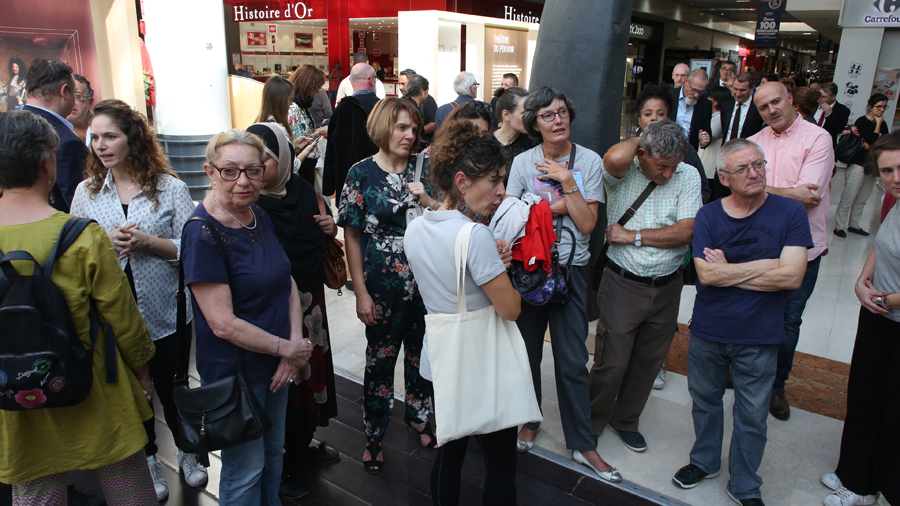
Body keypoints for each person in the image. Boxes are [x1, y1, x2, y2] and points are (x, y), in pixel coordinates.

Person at [0, 110, 159, 505]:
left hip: (15, 394)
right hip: (95, 383)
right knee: (129, 490)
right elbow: (122, 317)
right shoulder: (80, 236)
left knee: (37, 494)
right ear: (46, 162)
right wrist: (143, 370)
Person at [69, 99, 204, 501]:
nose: (101, 145)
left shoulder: (170, 188)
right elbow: (74, 250)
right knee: (130, 393)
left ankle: (188, 452)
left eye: (110, 136)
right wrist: (102, 244)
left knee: (173, 385)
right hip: (112, 316)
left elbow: (191, 248)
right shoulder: (87, 192)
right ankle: (147, 457)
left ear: (133, 139)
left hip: (165, 312)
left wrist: (150, 242)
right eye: (95, 137)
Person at [673, 139, 811, 506]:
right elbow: (707, 277)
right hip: (709, 328)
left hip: (760, 333)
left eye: (759, 165)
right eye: (743, 169)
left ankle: (745, 483)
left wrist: (728, 268)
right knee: (705, 401)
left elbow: (793, 277)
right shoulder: (708, 215)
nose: (755, 173)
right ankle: (704, 461)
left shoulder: (790, 213)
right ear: (724, 177)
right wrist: (769, 264)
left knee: (752, 416)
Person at [180, 129, 313, 504]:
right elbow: (221, 323)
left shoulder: (257, 213)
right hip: (236, 372)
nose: (243, 181)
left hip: (276, 364)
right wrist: (286, 348)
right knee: (245, 468)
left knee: (274, 455)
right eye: (230, 171)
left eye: (253, 171)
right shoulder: (202, 232)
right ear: (210, 171)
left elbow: (285, 279)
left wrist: (289, 347)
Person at [505, 87, 619, 483]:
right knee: (528, 356)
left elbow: (588, 224)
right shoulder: (523, 162)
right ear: (534, 123)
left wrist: (567, 181)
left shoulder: (587, 161)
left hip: (571, 270)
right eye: (548, 115)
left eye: (563, 113)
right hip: (532, 272)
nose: (558, 120)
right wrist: (557, 206)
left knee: (573, 362)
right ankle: (530, 419)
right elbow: (512, 217)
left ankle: (582, 441)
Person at [406, 120, 520, 506]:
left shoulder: (416, 229)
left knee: (450, 451)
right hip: (480, 361)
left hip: (440, 356)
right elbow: (510, 308)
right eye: (494, 180)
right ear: (462, 181)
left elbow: (448, 279)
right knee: (501, 462)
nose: (501, 191)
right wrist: (500, 266)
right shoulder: (475, 235)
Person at [336, 98, 439, 474]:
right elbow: (350, 236)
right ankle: (373, 435)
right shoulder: (361, 173)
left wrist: (427, 198)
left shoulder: (425, 167)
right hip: (382, 283)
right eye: (401, 128)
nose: (410, 135)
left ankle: (418, 415)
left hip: (426, 281)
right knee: (380, 359)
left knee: (420, 353)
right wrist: (360, 291)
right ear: (383, 128)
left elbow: (446, 213)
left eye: (414, 128)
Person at [590, 120, 700, 456]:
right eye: (662, 166)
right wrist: (648, 133)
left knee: (648, 361)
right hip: (624, 282)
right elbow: (611, 158)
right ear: (641, 155)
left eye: (675, 165)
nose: (669, 174)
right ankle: (592, 420)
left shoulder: (688, 175)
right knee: (612, 360)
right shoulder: (625, 172)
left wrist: (634, 236)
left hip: (668, 286)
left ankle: (625, 421)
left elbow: (686, 232)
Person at [248, 122, 339, 499]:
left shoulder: (304, 191)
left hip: (311, 305)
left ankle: (301, 446)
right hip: (273, 311)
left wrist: (330, 227)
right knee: (280, 382)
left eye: (263, 161)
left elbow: (324, 237)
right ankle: (278, 463)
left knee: (309, 376)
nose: (255, 170)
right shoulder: (249, 205)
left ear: (282, 158)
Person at [820, 131, 900, 506]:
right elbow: (882, 244)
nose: (895, 177)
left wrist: (884, 297)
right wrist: (861, 281)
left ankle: (875, 486)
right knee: (864, 396)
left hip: (891, 312)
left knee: (892, 407)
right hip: (879, 314)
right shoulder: (894, 201)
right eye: (887, 170)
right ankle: (855, 476)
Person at [750, 82, 834, 421]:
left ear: (790, 99)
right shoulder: (755, 142)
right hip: (760, 244)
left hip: (802, 248)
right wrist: (786, 191)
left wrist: (760, 188)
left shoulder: (818, 138)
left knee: (787, 320)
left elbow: (809, 196)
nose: (771, 110)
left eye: (776, 101)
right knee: (753, 312)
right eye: (763, 107)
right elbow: (742, 190)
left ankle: (776, 386)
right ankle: (746, 372)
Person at [22, 59, 86, 213]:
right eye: (75, 93)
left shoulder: (7, 129)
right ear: (64, 91)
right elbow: (79, 207)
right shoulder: (65, 141)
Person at [634, 84, 709, 205]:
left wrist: (689, 205)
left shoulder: (685, 149)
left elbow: (704, 189)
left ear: (668, 118)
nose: (654, 118)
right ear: (639, 120)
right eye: (648, 114)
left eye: (661, 114)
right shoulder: (631, 150)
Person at [833, 93, 890, 238]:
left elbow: (883, 144)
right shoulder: (862, 121)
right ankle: (839, 227)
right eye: (879, 106)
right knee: (849, 197)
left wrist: (873, 142)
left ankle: (854, 225)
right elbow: (874, 140)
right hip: (858, 164)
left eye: (884, 107)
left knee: (862, 198)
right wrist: (877, 126)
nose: (882, 110)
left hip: (871, 165)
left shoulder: (884, 123)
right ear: (870, 106)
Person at [703, 72, 765, 199]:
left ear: (752, 89)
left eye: (742, 90)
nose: (738, 93)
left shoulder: (758, 108)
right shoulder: (727, 104)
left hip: (746, 161)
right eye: (735, 89)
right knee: (720, 196)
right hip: (725, 158)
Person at [322, 63, 380, 198]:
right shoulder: (383, 108)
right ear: (371, 80)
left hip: (346, 181)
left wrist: (329, 186)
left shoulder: (341, 109)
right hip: (377, 181)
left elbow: (332, 149)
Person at [289, 65, 330, 187]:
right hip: (301, 164)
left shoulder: (302, 107)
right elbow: (300, 139)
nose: (317, 92)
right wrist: (318, 133)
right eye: (316, 88)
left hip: (308, 163)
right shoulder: (292, 109)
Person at [492, 86, 535, 186]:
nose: (530, 117)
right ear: (506, 115)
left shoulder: (533, 143)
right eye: (525, 113)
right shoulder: (485, 143)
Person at [698, 86, 734, 199]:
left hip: (710, 165)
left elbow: (710, 136)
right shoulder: (713, 115)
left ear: (716, 101)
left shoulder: (719, 117)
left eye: (709, 97)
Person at [669, 69, 712, 151]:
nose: (696, 95)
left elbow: (706, 132)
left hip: (688, 153)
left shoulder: (706, 104)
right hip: (665, 150)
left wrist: (704, 141)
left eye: (701, 92)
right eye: (694, 90)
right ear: (686, 81)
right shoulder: (669, 96)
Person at [816, 83, 852, 149]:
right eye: (819, 96)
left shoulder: (842, 110)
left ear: (833, 97)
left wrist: (830, 115)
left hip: (826, 146)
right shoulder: (813, 106)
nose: (820, 99)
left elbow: (838, 129)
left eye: (824, 97)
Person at [67, 74, 94, 145]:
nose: (71, 102)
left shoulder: (101, 124)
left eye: (77, 96)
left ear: (90, 101)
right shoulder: (55, 130)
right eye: (66, 96)